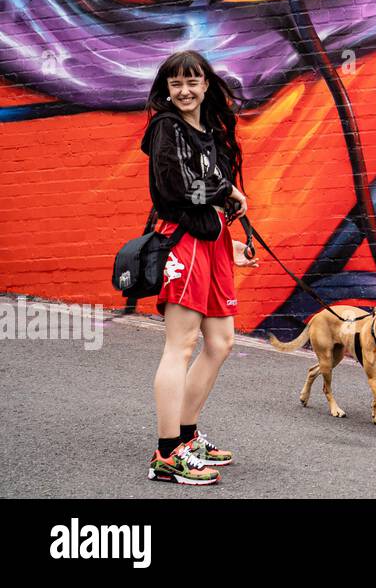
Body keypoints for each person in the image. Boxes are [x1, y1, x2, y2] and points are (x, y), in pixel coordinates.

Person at [141, 50, 257, 484]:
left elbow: (209, 196)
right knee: (181, 344)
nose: (185, 91)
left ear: (206, 85)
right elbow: (175, 189)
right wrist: (226, 190)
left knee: (221, 341)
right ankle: (167, 453)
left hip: (213, 244)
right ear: (167, 90)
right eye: (176, 84)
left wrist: (232, 239)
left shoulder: (209, 132)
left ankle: (187, 435)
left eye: (192, 82)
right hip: (184, 242)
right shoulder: (165, 129)